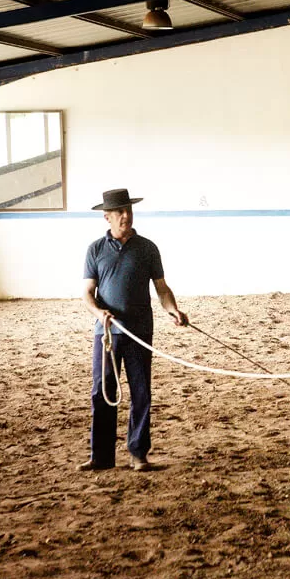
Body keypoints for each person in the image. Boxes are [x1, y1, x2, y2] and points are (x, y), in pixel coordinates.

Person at [80, 188, 187, 472]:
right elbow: (87, 293)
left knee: (141, 393)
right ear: (107, 217)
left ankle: (138, 453)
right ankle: (101, 457)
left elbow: (162, 289)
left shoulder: (147, 248)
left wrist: (172, 309)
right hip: (107, 333)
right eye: (119, 212)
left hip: (140, 332)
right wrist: (98, 312)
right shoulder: (95, 250)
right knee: (102, 392)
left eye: (128, 210)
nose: (125, 216)